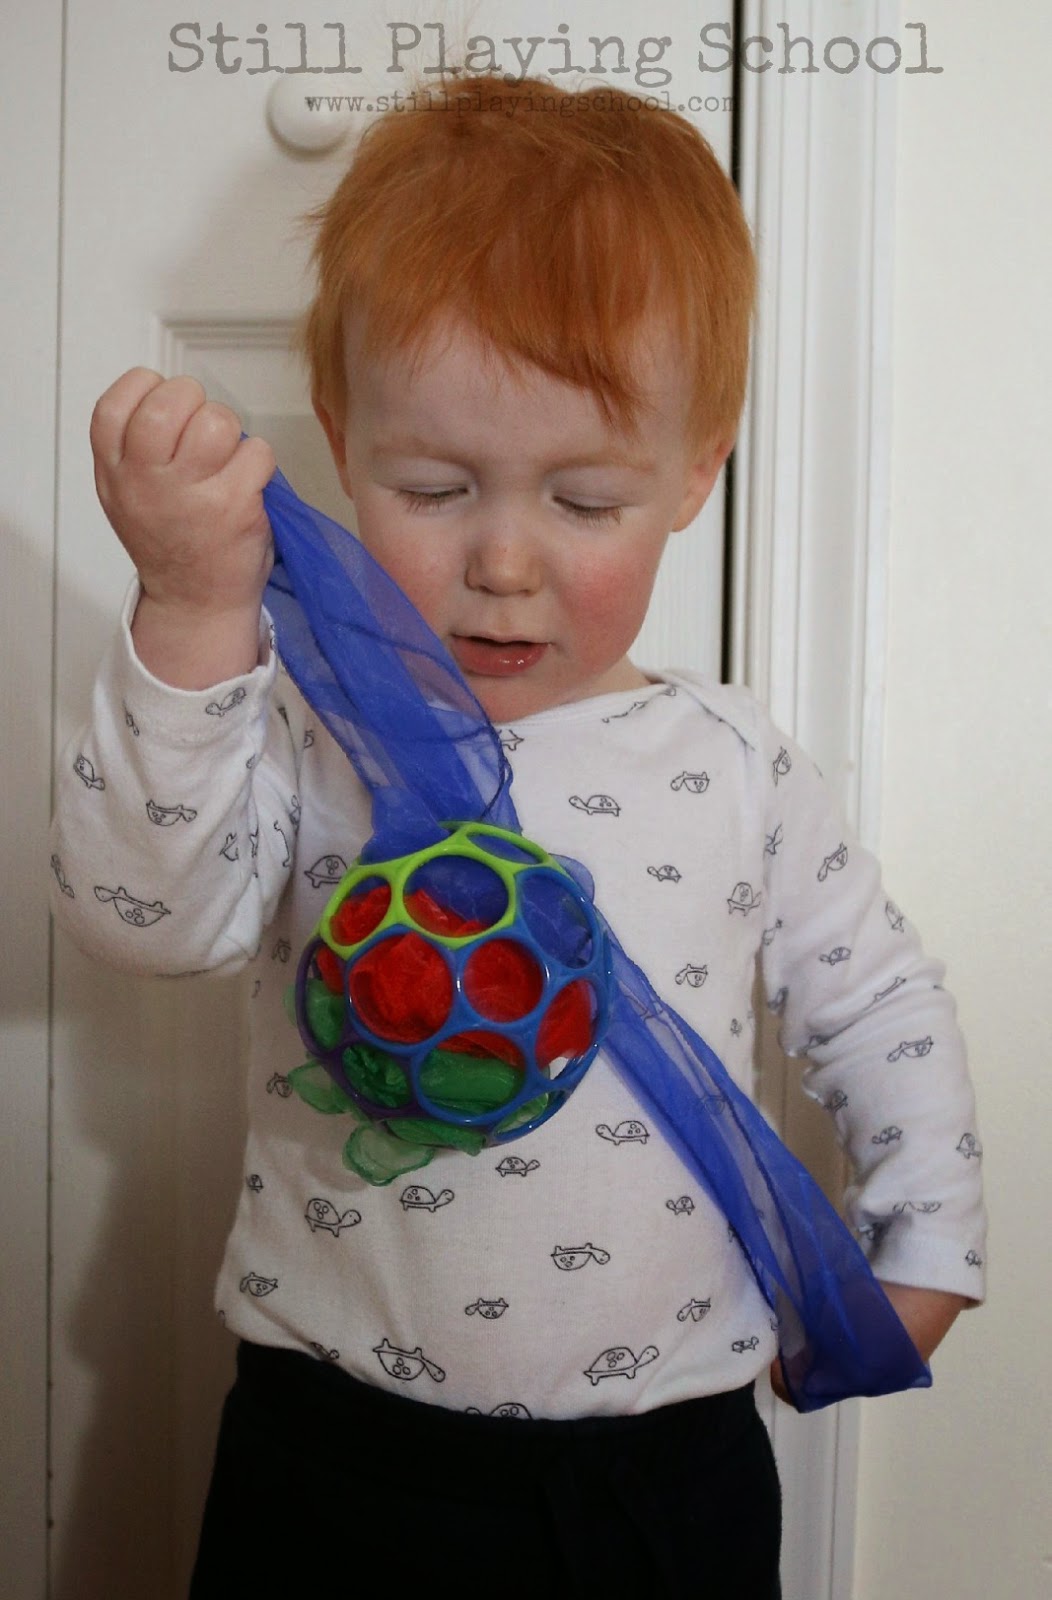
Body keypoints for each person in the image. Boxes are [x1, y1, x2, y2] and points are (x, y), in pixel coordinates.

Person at [50, 73, 985, 1598]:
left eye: (584, 499)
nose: (502, 560)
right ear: (343, 443)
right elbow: (143, 921)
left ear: (695, 471)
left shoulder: (734, 760)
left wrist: (929, 1242)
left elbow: (878, 1001)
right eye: (435, 486)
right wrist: (195, 612)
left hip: (661, 1472)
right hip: (335, 1451)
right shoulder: (296, 720)